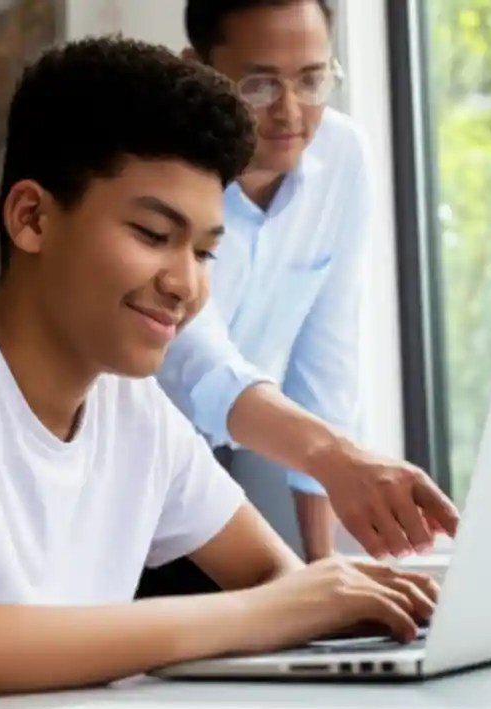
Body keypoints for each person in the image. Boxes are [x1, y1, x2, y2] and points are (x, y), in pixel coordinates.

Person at [0, 37, 436, 709]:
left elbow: (277, 584)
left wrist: (367, 605)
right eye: (151, 234)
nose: (186, 285)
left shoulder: (136, 413)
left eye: (204, 251)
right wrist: (256, 614)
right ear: (32, 218)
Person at [148, 0, 459, 574]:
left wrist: (326, 568)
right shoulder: (158, 172)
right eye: (260, 86)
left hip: (254, 443)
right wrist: (334, 457)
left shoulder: (341, 156)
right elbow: (195, 358)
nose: (290, 113)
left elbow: (326, 363)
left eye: (313, 80)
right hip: (138, 449)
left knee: (295, 603)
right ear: (197, 70)